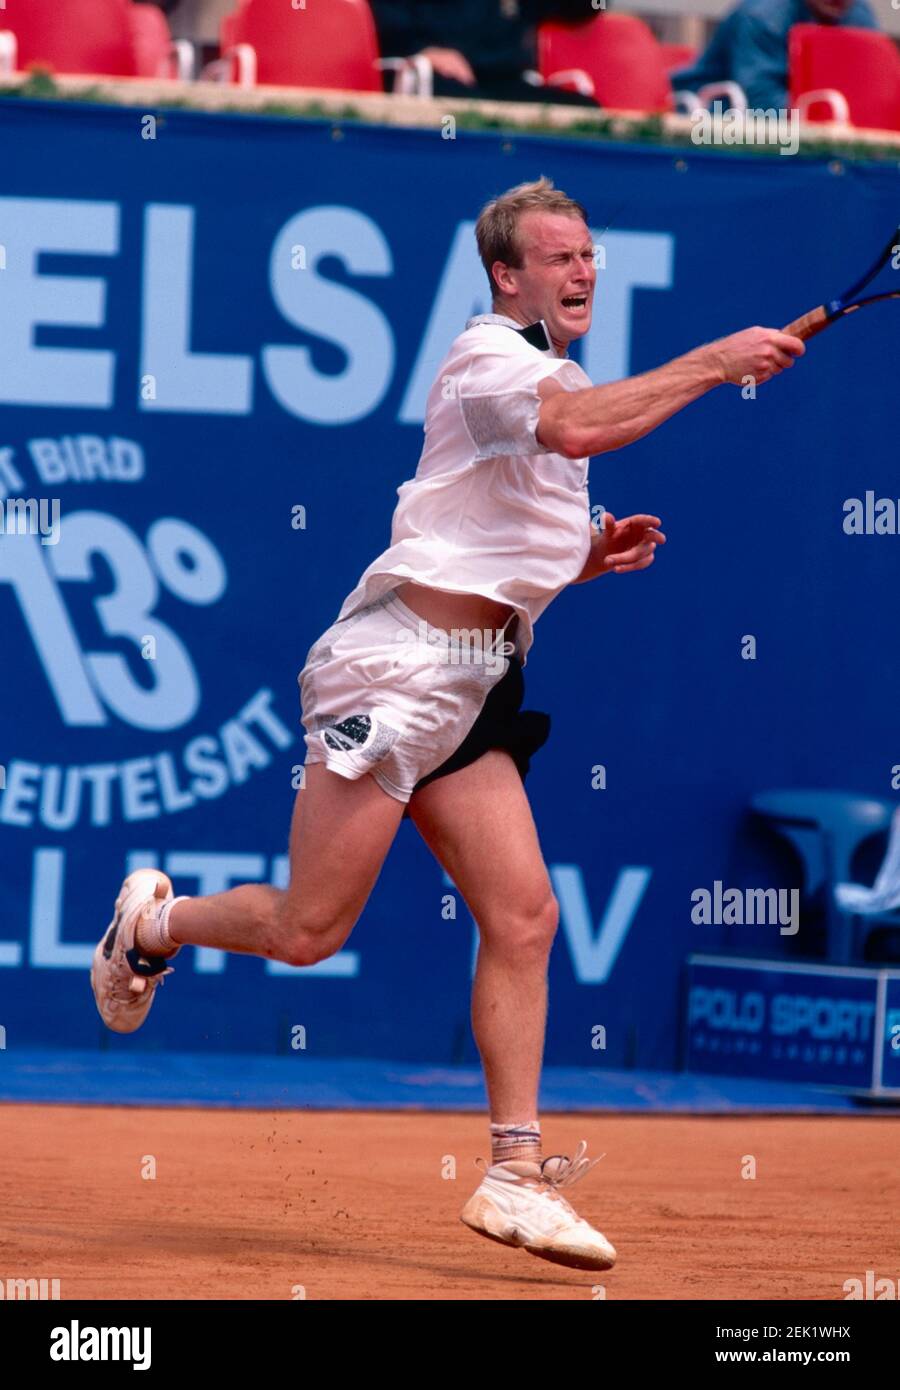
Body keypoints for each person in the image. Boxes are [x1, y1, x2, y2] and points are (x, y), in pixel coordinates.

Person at [91, 177, 804, 1271]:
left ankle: (514, 1176)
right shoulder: (492, 359)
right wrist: (718, 361)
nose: (582, 270)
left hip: (472, 689)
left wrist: (583, 557)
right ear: (506, 275)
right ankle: (153, 927)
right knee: (309, 931)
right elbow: (570, 425)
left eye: (588, 255)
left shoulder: (548, 379)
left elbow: (505, 521)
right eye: (557, 256)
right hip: (393, 671)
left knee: (524, 917)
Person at [370, 0, 602, 105]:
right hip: (429, 77)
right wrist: (424, 51)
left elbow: (587, 6)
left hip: (503, 83)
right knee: (459, 110)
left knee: (582, 109)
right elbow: (378, 14)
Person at [672, 0, 879, 112]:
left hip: (797, 128)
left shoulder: (858, 16)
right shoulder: (762, 16)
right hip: (706, 118)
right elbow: (762, 102)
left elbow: (872, 92)